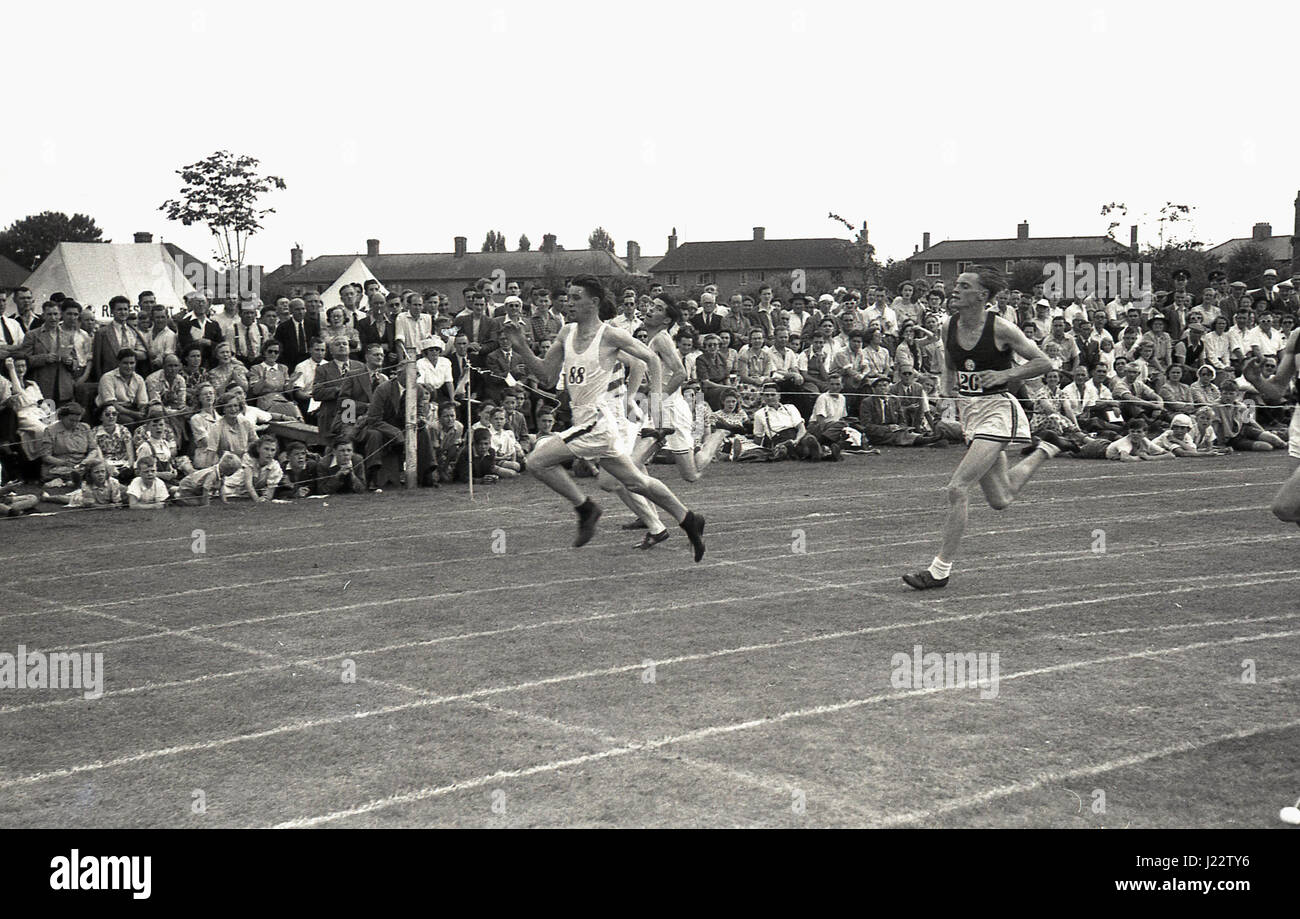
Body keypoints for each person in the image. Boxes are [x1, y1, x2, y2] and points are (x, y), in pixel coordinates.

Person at [499, 275, 707, 559]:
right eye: (568, 297)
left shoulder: (610, 335)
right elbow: (546, 376)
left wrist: (654, 409)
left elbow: (652, 361)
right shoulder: (566, 333)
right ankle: (688, 519)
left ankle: (586, 509)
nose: (568, 303)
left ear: (593, 302)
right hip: (588, 422)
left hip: (596, 422)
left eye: (576, 298)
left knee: (536, 460)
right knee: (635, 482)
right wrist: (521, 346)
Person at [904, 267, 1064, 591]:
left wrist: (1006, 375)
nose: (955, 290)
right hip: (971, 414)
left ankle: (939, 570)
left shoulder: (1001, 328)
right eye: (956, 284)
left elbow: (1044, 362)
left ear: (982, 296)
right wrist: (946, 392)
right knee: (1000, 498)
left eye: (964, 286)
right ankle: (1046, 448)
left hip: (998, 412)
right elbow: (950, 362)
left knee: (957, 488)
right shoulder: (949, 325)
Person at [631, 294, 727, 483]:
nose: (650, 309)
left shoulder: (661, 339)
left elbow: (680, 373)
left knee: (691, 474)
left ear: (666, 320)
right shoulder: (649, 338)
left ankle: (718, 435)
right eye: (651, 305)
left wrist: (658, 398)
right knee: (633, 463)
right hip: (657, 410)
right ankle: (647, 509)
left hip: (672, 410)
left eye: (658, 308)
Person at [1242, 329, 1300, 524]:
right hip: (1299, 429)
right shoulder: (1297, 336)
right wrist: (1256, 380)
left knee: (1285, 507)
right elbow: (1276, 390)